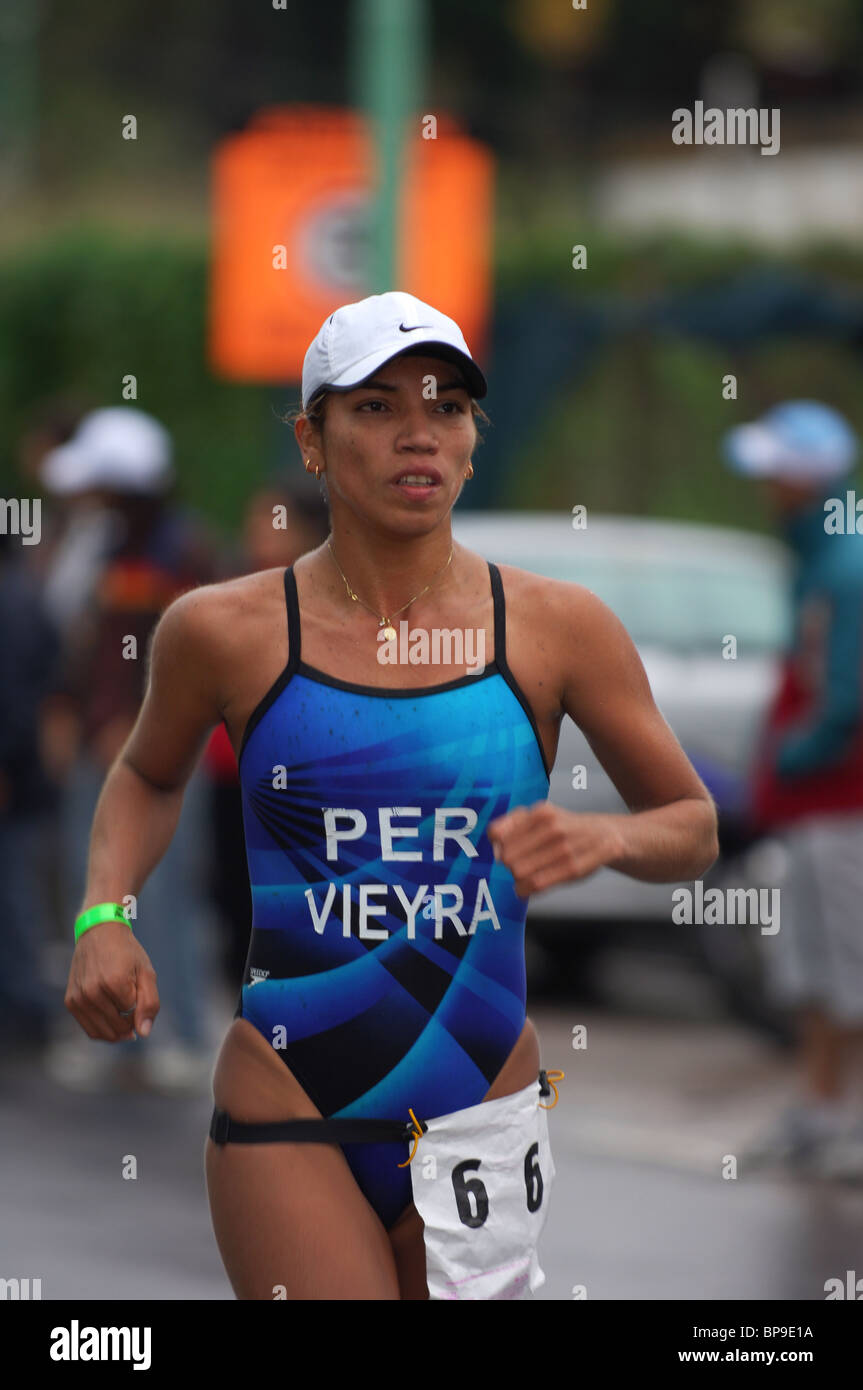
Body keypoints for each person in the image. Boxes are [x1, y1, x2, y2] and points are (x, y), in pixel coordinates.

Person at [63, 291, 717, 1299]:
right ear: (310, 439)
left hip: (479, 1095)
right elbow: (150, 772)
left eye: (446, 405)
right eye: (374, 406)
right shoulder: (225, 629)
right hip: (290, 1092)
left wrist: (603, 842)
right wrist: (105, 912)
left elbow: (692, 827)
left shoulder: (554, 626)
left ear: (470, 438)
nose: (419, 432)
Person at [42, 407, 219, 1093]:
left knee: (166, 892)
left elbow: (184, 658)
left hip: (162, 751)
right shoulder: (110, 546)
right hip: (104, 745)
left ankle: (176, 1032)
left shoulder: (179, 552)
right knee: (104, 895)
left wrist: (139, 721)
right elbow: (92, 647)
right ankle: (119, 1038)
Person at [723, 401, 863, 1180]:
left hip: (844, 804)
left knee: (852, 964)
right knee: (810, 965)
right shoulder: (818, 558)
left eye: (772, 473)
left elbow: (844, 698)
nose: (762, 488)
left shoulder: (847, 563)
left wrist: (791, 759)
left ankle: (846, 1118)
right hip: (812, 808)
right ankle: (819, 1109)